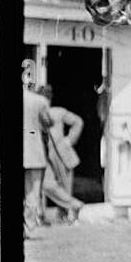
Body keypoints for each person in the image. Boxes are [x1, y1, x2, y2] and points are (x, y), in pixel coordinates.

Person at [37, 85, 84, 224]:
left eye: (46, 99)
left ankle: (69, 215)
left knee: (66, 185)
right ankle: (70, 208)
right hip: (46, 157)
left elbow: (78, 121)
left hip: (63, 154)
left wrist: (69, 140)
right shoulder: (37, 115)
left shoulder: (58, 112)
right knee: (47, 184)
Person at [23, 83, 54, 237]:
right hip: (33, 151)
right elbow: (49, 121)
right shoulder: (39, 101)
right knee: (32, 192)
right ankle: (27, 228)